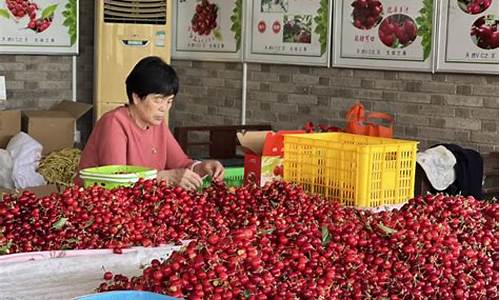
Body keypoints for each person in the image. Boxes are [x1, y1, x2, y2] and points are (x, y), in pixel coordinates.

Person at [79, 56, 224, 190]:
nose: (164, 108)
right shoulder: (114, 123)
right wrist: (164, 178)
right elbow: (116, 182)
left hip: (142, 203)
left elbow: (181, 164)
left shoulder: (157, 124)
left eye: (169, 101)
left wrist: (203, 167)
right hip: (100, 207)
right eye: (158, 100)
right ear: (136, 97)